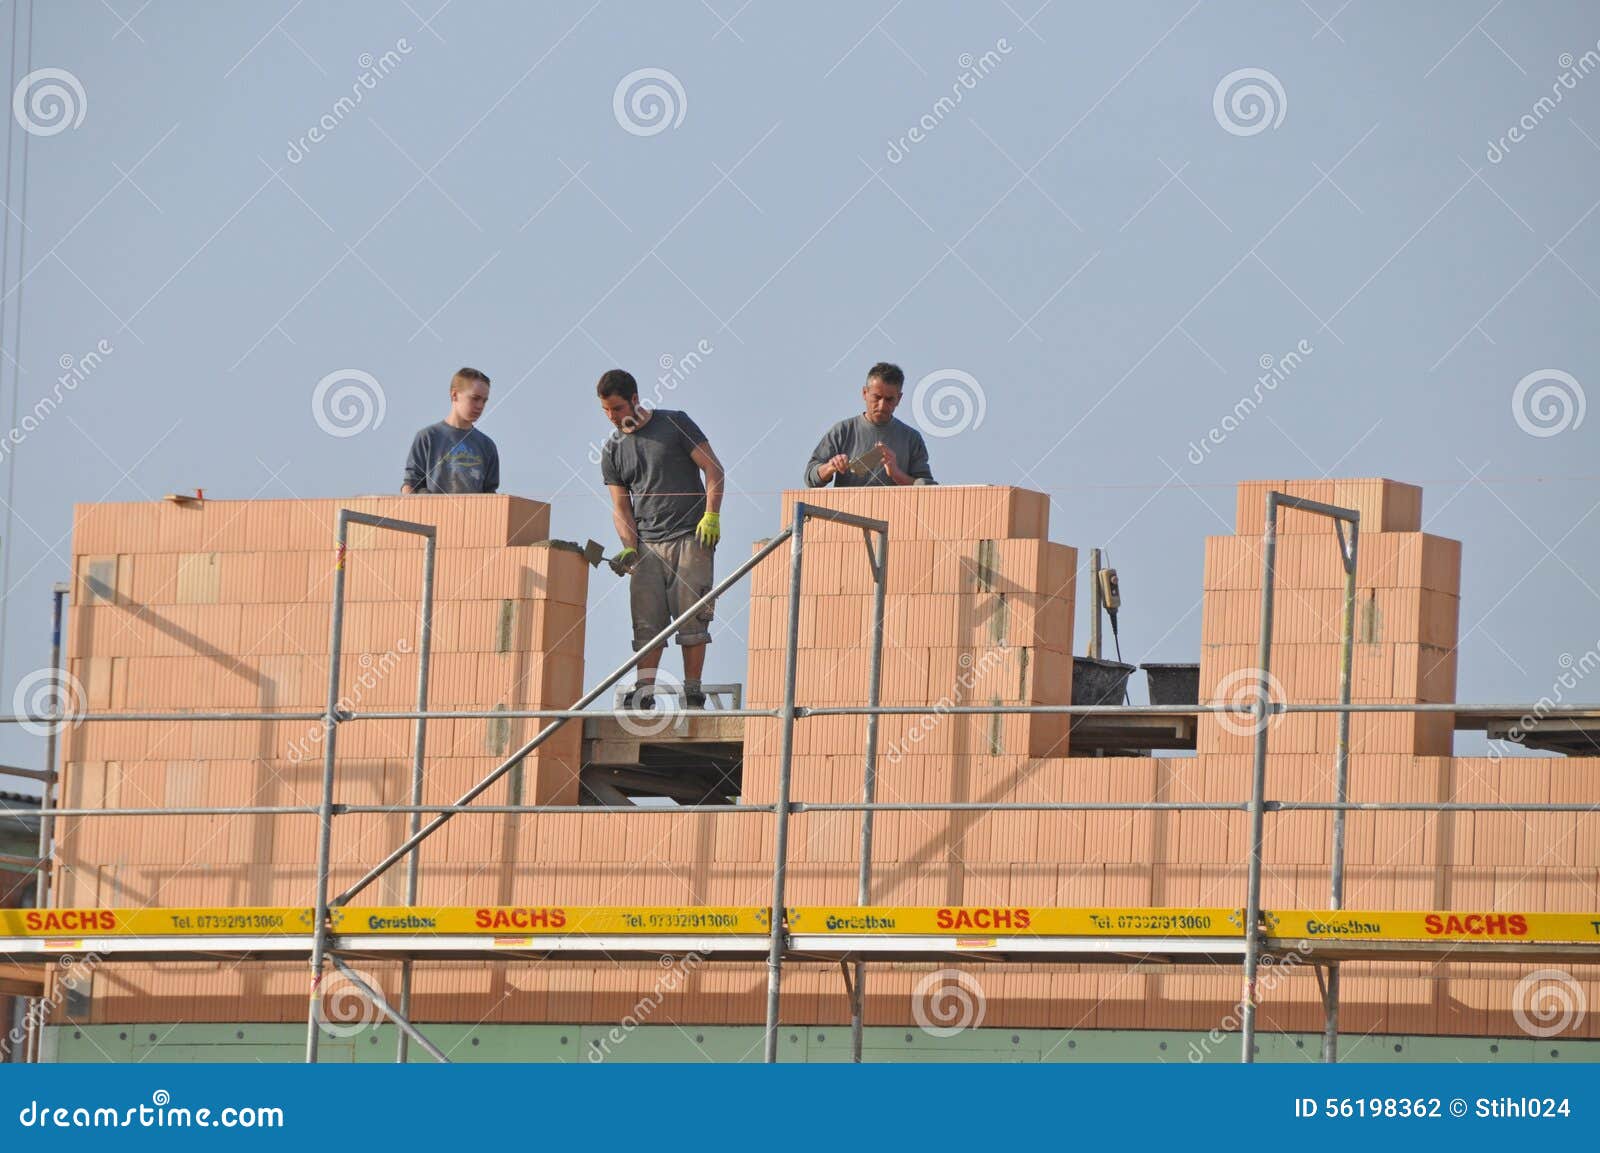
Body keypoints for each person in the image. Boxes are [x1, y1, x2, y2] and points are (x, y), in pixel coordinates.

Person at [597, 369, 725, 710]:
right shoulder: (612, 450)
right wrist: (628, 547)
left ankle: (693, 691)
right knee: (646, 623)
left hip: (690, 536)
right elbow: (620, 506)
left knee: (693, 618)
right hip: (647, 547)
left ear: (636, 400)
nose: (613, 417)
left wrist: (712, 515)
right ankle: (644, 695)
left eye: (618, 408)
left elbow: (713, 469)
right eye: (606, 410)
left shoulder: (675, 424)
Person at [804, 362, 935, 487]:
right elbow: (810, 477)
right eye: (877, 397)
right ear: (864, 393)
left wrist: (896, 474)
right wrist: (830, 467)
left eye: (889, 399)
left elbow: (929, 490)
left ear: (899, 399)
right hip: (847, 510)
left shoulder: (911, 439)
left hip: (895, 510)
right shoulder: (842, 431)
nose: (882, 405)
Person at [401, 367, 499, 493]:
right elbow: (411, 485)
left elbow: (491, 497)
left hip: (473, 513)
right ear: (454, 395)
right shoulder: (428, 437)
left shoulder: (487, 445)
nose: (480, 406)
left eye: (484, 401)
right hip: (432, 512)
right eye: (475, 398)